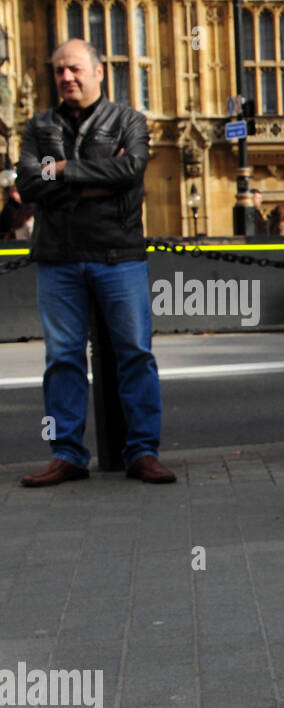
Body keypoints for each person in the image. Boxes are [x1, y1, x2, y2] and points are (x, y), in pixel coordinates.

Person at [15, 39, 175, 487]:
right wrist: (84, 175)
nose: (67, 77)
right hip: (59, 258)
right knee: (62, 358)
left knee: (135, 355)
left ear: (99, 72)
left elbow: (132, 171)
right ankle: (66, 454)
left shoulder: (128, 121)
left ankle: (143, 452)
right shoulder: (39, 125)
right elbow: (27, 181)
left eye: (75, 69)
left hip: (116, 254)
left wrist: (61, 172)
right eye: (60, 70)